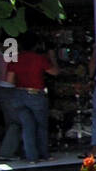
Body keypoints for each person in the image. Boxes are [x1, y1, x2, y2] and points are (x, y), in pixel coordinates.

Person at [6, 34, 60, 162]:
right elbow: (55, 72)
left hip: (19, 94)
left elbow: (9, 80)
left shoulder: (15, 59)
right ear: (36, 45)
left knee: (27, 126)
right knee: (41, 125)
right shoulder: (39, 58)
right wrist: (52, 57)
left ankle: (31, 157)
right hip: (36, 94)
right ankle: (44, 154)